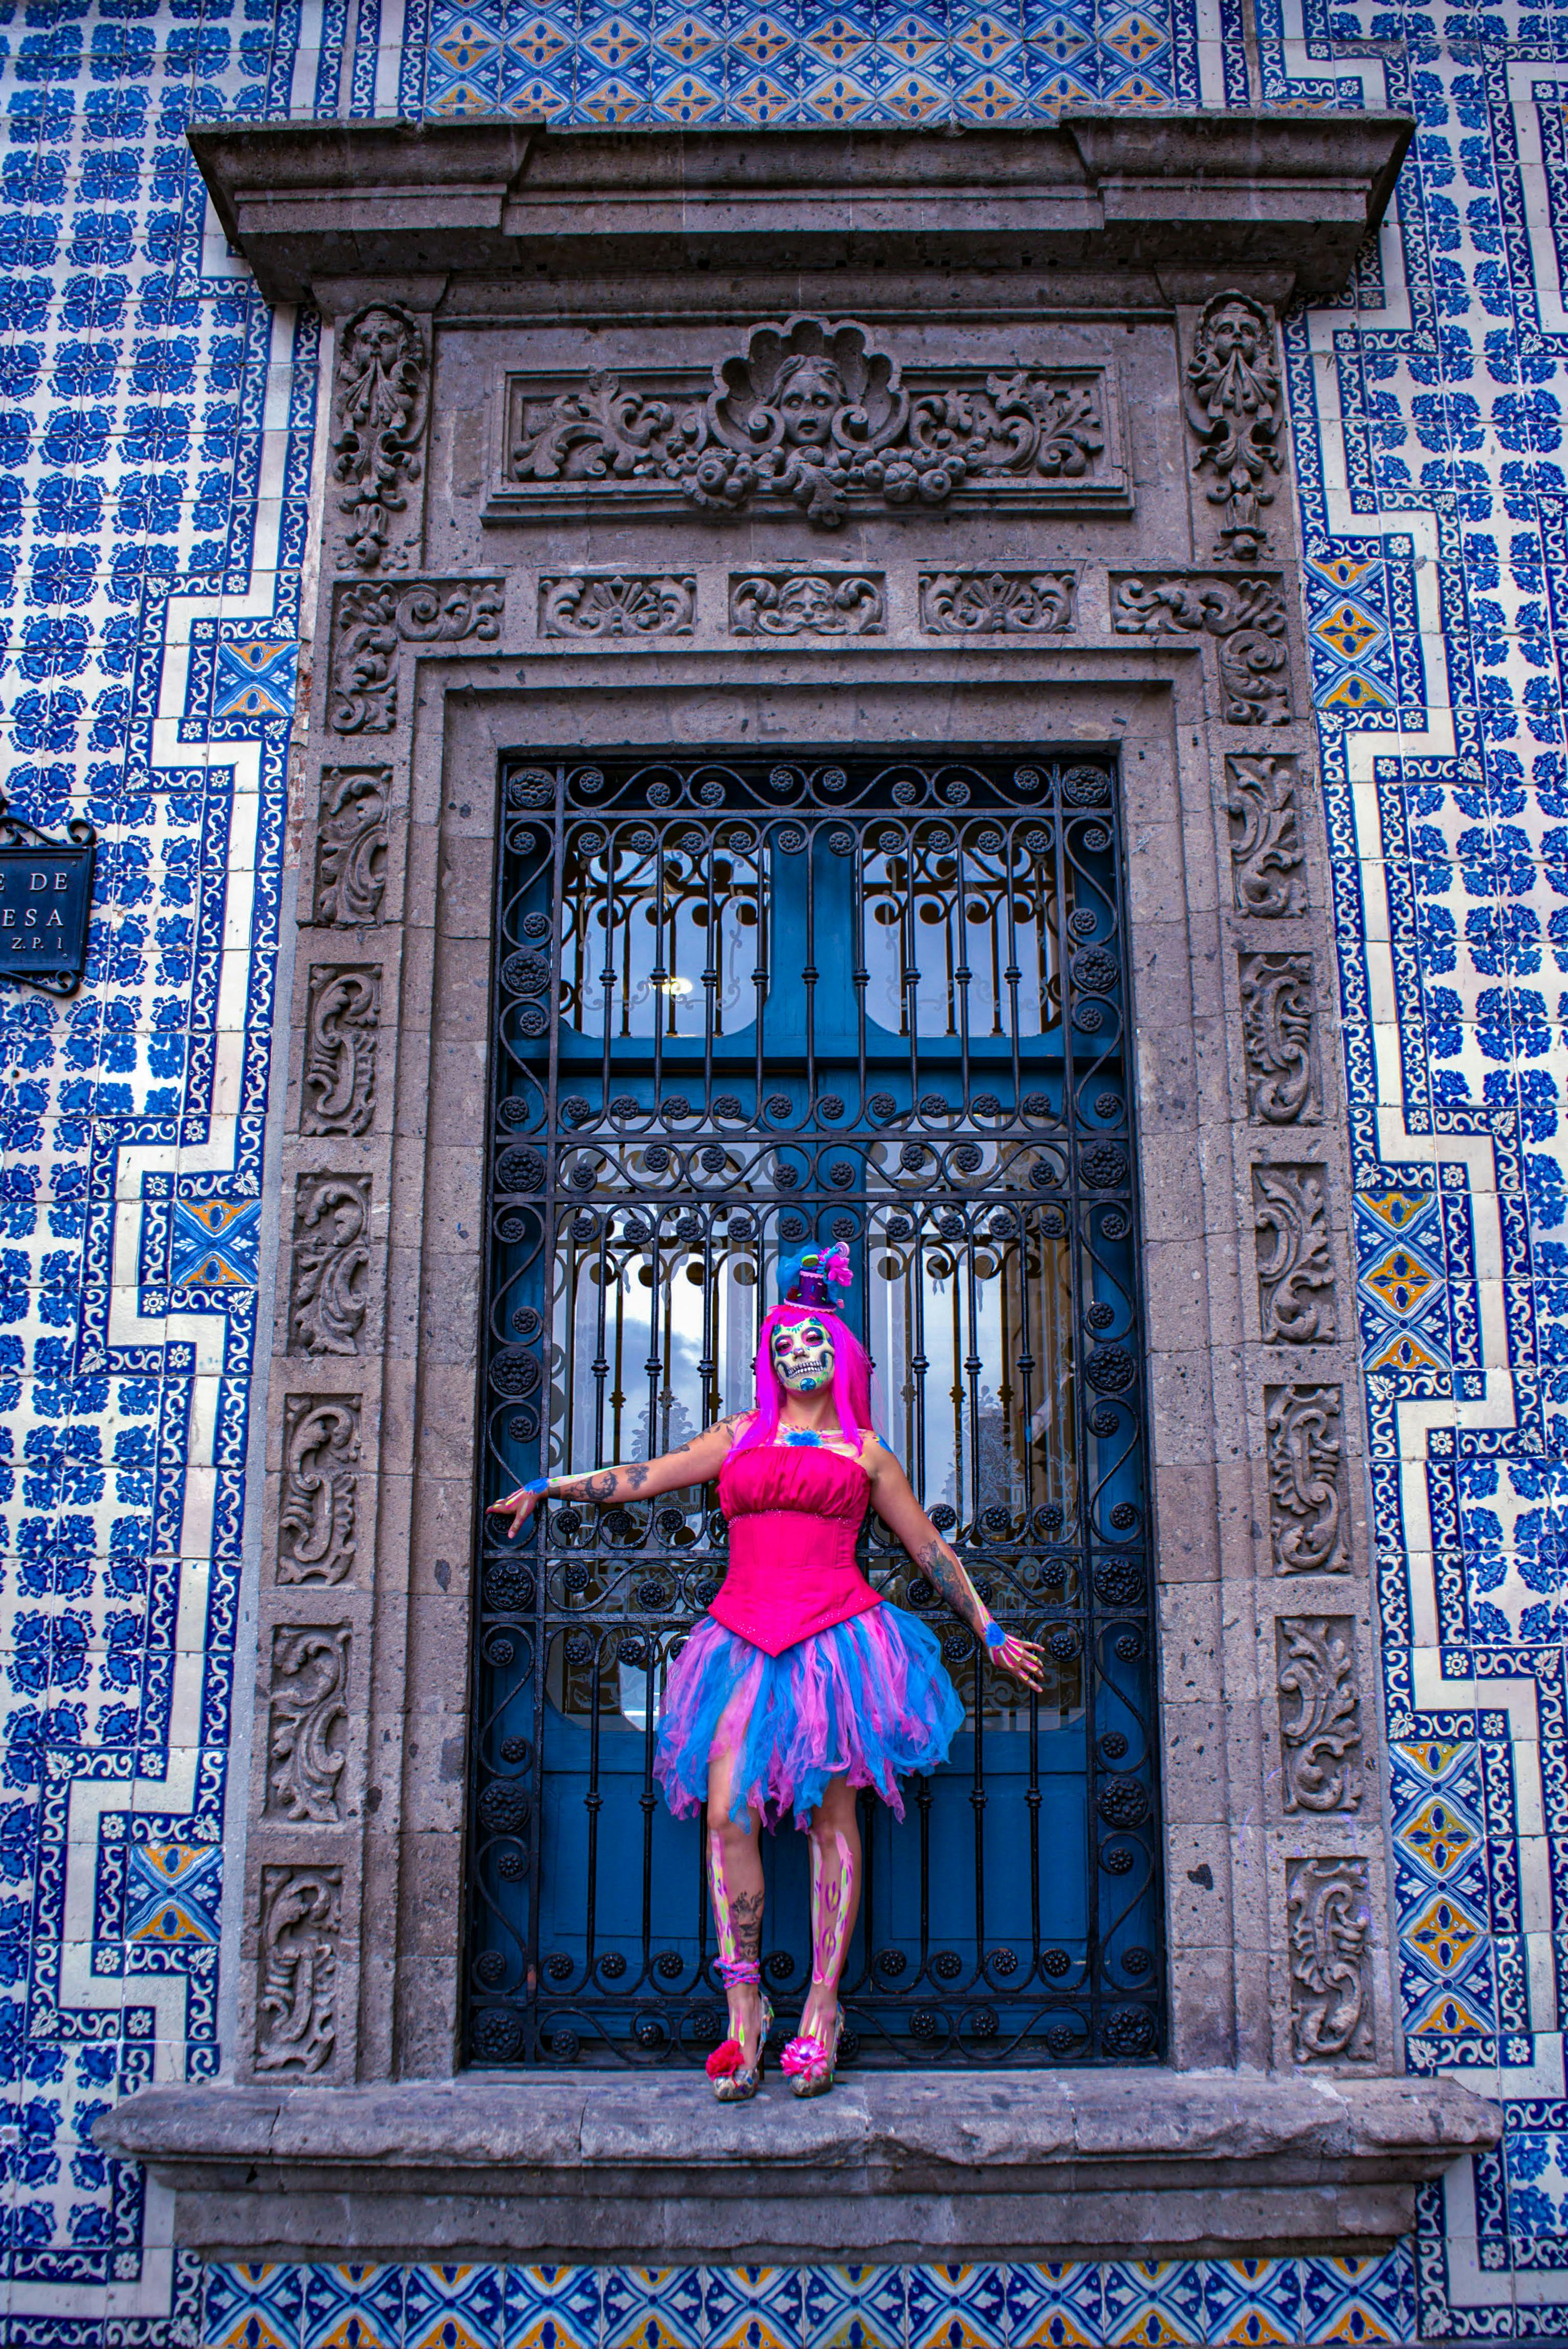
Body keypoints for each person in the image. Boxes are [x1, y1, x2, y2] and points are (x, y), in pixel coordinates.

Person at [488, 1245, 1046, 2103]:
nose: (798, 1358)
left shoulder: (866, 1455)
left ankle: (822, 2008)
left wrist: (989, 1624)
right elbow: (643, 1479)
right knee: (725, 1814)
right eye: (784, 1347)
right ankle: (744, 2006)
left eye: (813, 1344)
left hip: (836, 1642)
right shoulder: (733, 1438)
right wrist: (551, 1485)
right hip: (741, 1638)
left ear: (840, 1357)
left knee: (831, 1819)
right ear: (771, 1358)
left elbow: (925, 1548)